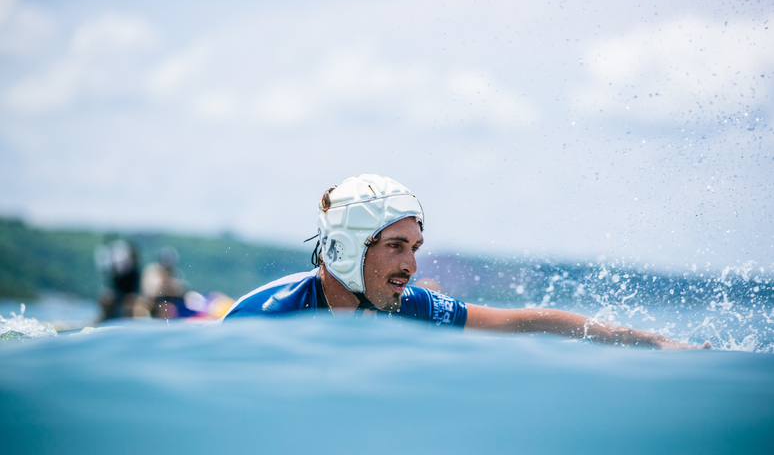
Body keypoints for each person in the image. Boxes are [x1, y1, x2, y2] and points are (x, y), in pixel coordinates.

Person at [221, 174, 710, 350]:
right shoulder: (263, 322)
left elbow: (526, 322)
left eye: (415, 248)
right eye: (395, 246)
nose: (410, 264)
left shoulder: (408, 306)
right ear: (346, 250)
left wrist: (654, 341)